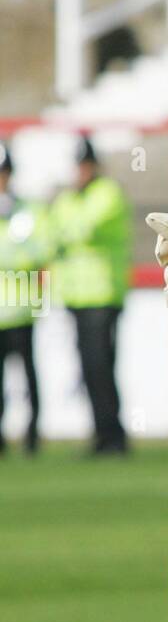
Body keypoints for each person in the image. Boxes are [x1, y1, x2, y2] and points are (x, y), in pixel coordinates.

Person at [50, 135, 131, 454]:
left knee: (101, 367)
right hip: (77, 297)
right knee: (89, 369)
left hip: (102, 295)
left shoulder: (108, 193)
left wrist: (64, 230)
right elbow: (54, 231)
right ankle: (102, 433)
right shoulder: (72, 199)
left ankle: (113, 435)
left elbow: (78, 229)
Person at [0, 141, 50, 453]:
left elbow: (41, 250)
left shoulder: (28, 211)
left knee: (29, 376)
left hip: (22, 310)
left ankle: (32, 436)